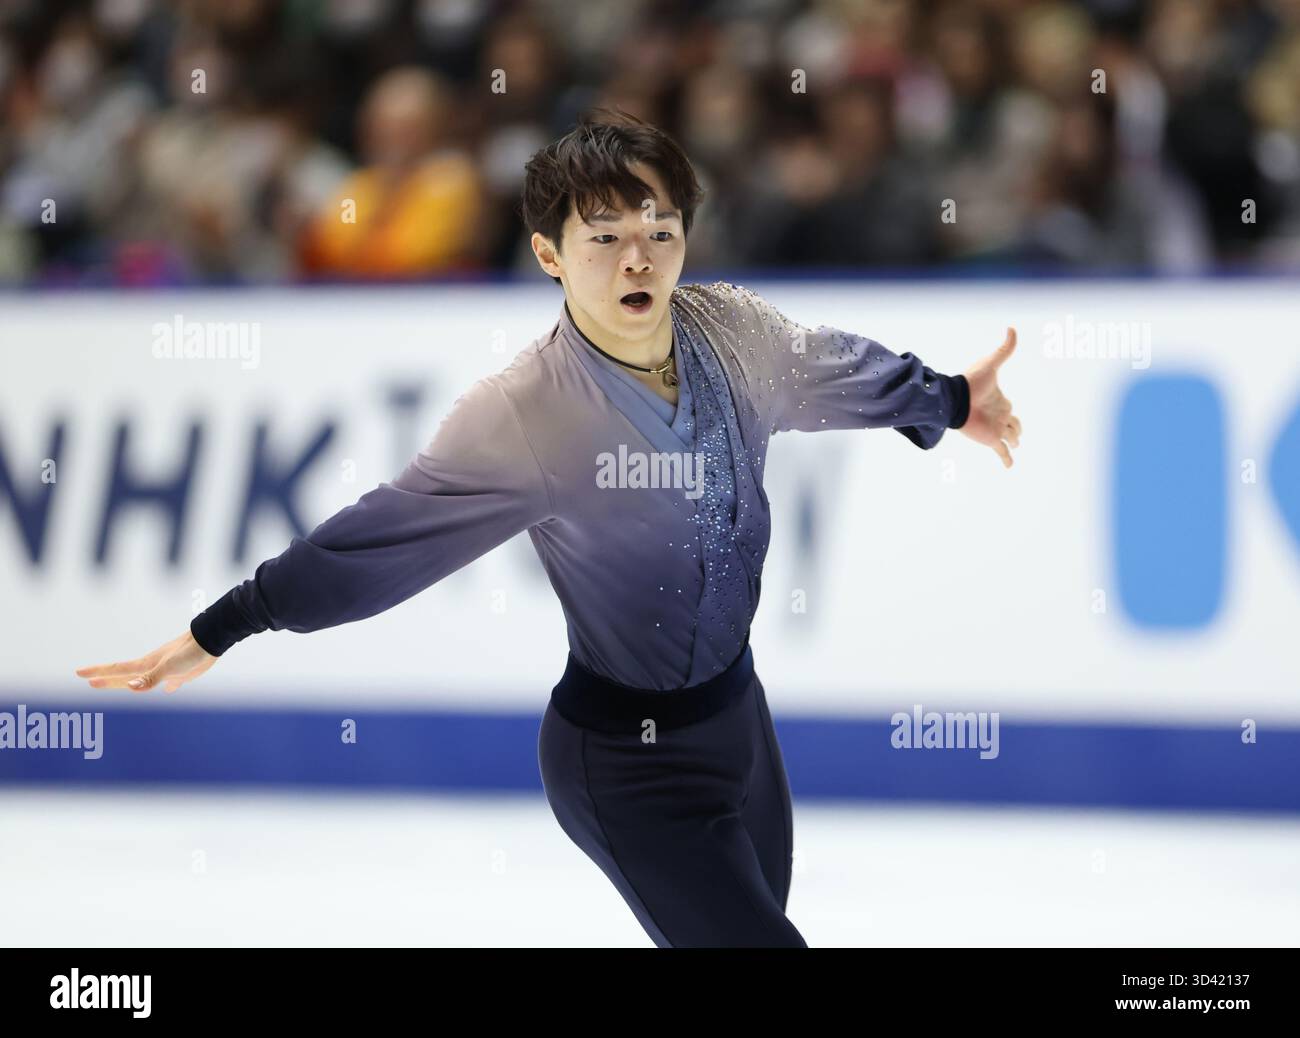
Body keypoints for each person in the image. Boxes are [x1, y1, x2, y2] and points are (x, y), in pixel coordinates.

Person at [75, 108, 1022, 947]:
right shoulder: (529, 414)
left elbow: (843, 372)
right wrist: (225, 625)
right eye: (605, 237)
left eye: (660, 229)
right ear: (549, 254)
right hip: (624, 767)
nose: (639, 258)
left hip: (741, 727)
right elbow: (379, 540)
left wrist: (945, 400)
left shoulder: (738, 334)